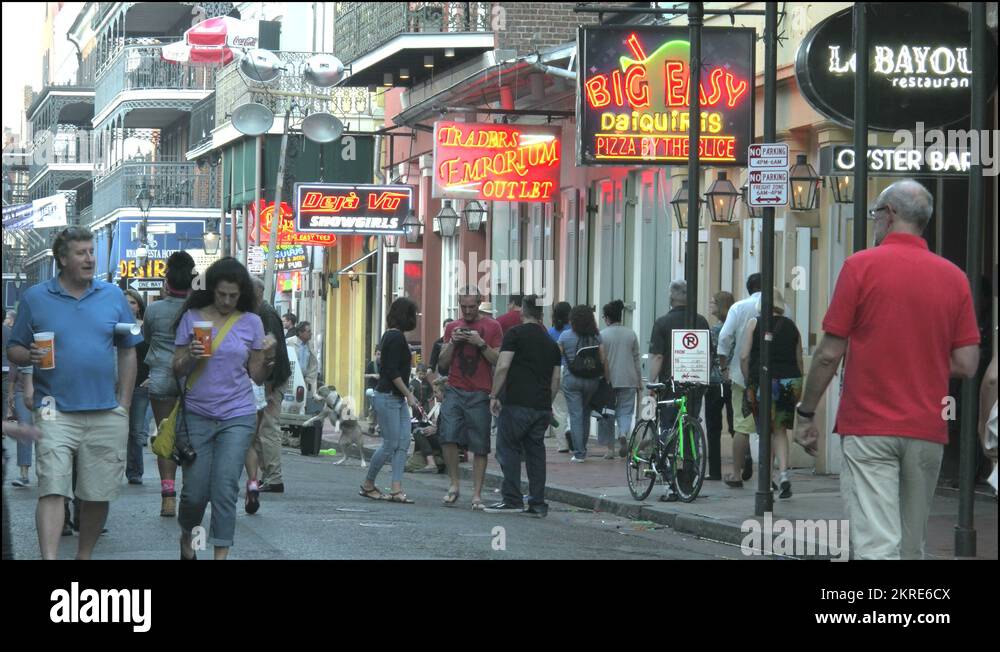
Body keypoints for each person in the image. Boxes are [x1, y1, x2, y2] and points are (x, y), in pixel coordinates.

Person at [794, 179, 980, 560]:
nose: (875, 222)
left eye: (876, 214)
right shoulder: (954, 277)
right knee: (911, 544)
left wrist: (806, 411)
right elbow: (967, 363)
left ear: (890, 214)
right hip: (927, 428)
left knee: (877, 542)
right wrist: (922, 359)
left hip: (869, 426)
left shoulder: (860, 266)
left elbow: (829, 353)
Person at [6, 226, 142, 560]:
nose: (89, 258)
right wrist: (30, 356)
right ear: (62, 259)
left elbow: (128, 350)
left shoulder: (112, 296)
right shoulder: (36, 297)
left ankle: (83, 556)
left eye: (91, 251)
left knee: (97, 493)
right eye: (81, 253)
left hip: (105, 410)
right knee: (52, 486)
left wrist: (123, 403)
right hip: (53, 408)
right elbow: (14, 349)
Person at [173, 257, 276, 560]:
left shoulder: (251, 322)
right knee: (194, 494)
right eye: (221, 294)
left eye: (233, 295)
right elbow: (176, 369)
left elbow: (257, 376)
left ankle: (220, 555)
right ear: (212, 290)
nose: (227, 301)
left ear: (241, 293)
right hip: (196, 414)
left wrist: (269, 357)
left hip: (237, 414)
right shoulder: (191, 317)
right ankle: (188, 538)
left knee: (225, 488)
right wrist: (191, 355)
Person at [485, 295, 562, 516]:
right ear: (542, 315)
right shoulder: (551, 343)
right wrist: (547, 402)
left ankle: (512, 498)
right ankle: (537, 503)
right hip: (540, 406)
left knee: (508, 449)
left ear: (523, 312)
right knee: (536, 454)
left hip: (516, 402)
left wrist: (494, 394)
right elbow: (556, 380)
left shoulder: (515, 335)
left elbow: (502, 366)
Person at [437, 286, 503, 509]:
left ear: (479, 304)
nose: (467, 311)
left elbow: (498, 361)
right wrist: (454, 342)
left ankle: (476, 494)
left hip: (480, 391)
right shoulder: (452, 327)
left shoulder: (492, 326)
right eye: (463, 307)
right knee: (447, 435)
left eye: (472, 307)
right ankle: (454, 484)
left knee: (480, 444)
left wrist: (480, 343)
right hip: (455, 388)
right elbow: (442, 365)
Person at [143, 251, 197, 517]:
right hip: (193, 381)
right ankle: (189, 492)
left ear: (167, 281)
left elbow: (146, 337)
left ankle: (167, 496)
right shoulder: (198, 311)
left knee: (165, 435)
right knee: (192, 437)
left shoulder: (153, 310)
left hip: (162, 379)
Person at [647, 280, 710, 501]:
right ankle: (688, 478)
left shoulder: (662, 322)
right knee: (690, 429)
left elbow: (657, 356)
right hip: (695, 384)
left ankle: (671, 479)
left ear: (671, 299)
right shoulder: (701, 321)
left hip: (670, 385)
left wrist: (650, 383)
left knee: (669, 429)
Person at [738, 289, 802, 499]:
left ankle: (767, 477)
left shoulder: (754, 323)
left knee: (765, 430)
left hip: (763, 382)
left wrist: (748, 379)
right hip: (788, 381)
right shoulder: (792, 326)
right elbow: (799, 359)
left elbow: (744, 355)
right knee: (781, 430)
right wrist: (798, 387)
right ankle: (783, 475)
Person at [359, 297, 421, 504]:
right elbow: (392, 371)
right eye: (413, 314)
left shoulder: (393, 336)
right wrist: (409, 394)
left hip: (395, 397)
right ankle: (368, 484)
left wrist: (406, 392)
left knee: (403, 442)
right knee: (390, 444)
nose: (416, 319)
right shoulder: (395, 338)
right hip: (389, 396)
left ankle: (396, 488)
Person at [244, 276, 292, 508]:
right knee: (261, 429)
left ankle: (274, 477)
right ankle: (268, 474)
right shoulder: (258, 312)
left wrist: (270, 382)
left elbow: (274, 349)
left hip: (272, 379)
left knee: (268, 427)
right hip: (267, 379)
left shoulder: (265, 313)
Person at [719, 273, 763, 486]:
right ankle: (771, 476)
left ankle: (736, 474)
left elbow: (725, 337)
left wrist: (723, 365)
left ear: (749, 288)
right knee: (772, 428)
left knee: (742, 427)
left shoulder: (739, 307)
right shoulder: (784, 309)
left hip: (742, 375)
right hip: (774, 376)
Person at [559, 305, 608, 462]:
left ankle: (579, 453)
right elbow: (603, 359)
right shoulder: (596, 337)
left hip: (571, 380)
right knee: (585, 413)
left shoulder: (565, 336)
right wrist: (607, 379)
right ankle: (583, 448)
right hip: (592, 381)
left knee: (575, 415)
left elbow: (555, 355)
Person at [597, 300, 642, 460]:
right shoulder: (631, 334)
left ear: (607, 318)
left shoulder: (602, 335)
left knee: (607, 414)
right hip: (628, 378)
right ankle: (623, 433)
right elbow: (636, 358)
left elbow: (600, 360)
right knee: (625, 411)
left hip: (608, 381)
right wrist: (639, 380)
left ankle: (610, 449)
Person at [706, 291, 736, 481]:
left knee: (713, 427)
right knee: (736, 425)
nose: (710, 305)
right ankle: (745, 461)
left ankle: (715, 470)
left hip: (715, 381)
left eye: (713, 302)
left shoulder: (715, 331)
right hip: (733, 380)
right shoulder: (737, 328)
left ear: (721, 305)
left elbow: (710, 355)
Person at [123, 288, 151, 485]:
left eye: (133, 302)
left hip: (140, 386)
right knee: (115, 429)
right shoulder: (115, 326)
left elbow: (153, 353)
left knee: (136, 430)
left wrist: (151, 376)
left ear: (139, 306)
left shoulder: (145, 328)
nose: (129, 305)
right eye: (125, 302)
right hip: (118, 384)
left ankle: (135, 472)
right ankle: (111, 471)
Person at [406, 377, 447, 473]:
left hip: (447, 441)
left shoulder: (449, 406)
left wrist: (436, 429)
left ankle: (431, 463)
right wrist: (434, 427)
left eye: (436, 392)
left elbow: (451, 428)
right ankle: (418, 458)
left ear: (443, 392)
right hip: (442, 435)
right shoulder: (444, 405)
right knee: (420, 429)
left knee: (418, 432)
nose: (435, 395)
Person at [548, 301, 572, 446]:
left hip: (556, 370)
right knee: (573, 406)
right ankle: (570, 429)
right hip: (572, 371)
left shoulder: (550, 332)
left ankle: (562, 444)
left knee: (559, 408)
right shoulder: (574, 330)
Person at [8, 364, 35, 487]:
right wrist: (10, 392)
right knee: (24, 430)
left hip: (47, 392)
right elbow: (12, 370)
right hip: (22, 391)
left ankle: (45, 472)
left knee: (48, 431)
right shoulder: (20, 345)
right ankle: (24, 474)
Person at [286, 321, 319, 397]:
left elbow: (312, 364)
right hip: (291, 381)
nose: (311, 333)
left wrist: (309, 379)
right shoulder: (289, 343)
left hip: (304, 381)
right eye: (308, 331)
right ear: (300, 333)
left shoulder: (309, 345)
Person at [427, 318, 453, 382]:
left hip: (454, 375)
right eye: (446, 327)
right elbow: (433, 361)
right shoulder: (438, 343)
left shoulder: (458, 342)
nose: (448, 329)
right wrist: (428, 371)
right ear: (443, 328)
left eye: (451, 327)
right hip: (442, 375)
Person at [364, 347, 380, 431]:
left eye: (381, 354)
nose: (379, 356)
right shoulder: (371, 364)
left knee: (380, 408)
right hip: (372, 388)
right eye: (378, 354)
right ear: (375, 354)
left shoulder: (385, 365)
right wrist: (373, 375)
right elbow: (365, 375)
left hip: (381, 389)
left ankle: (379, 425)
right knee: (373, 407)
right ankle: (371, 425)